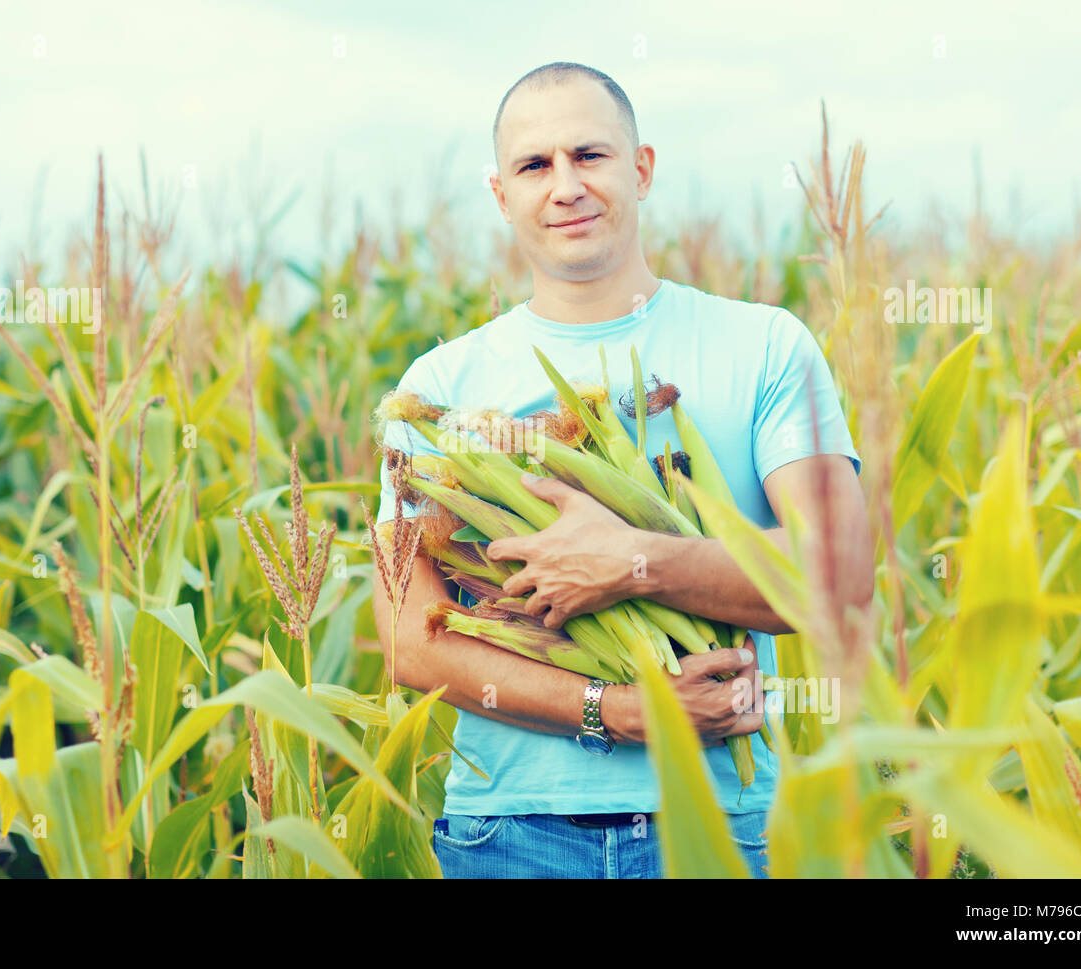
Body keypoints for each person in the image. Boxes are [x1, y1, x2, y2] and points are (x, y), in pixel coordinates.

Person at [371, 61, 872, 879]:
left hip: (720, 824)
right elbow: (408, 639)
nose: (565, 185)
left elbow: (840, 574)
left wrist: (624, 562)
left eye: (589, 156)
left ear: (640, 169)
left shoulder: (766, 346)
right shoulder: (435, 393)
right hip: (508, 838)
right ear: (503, 196)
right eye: (535, 166)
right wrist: (619, 710)